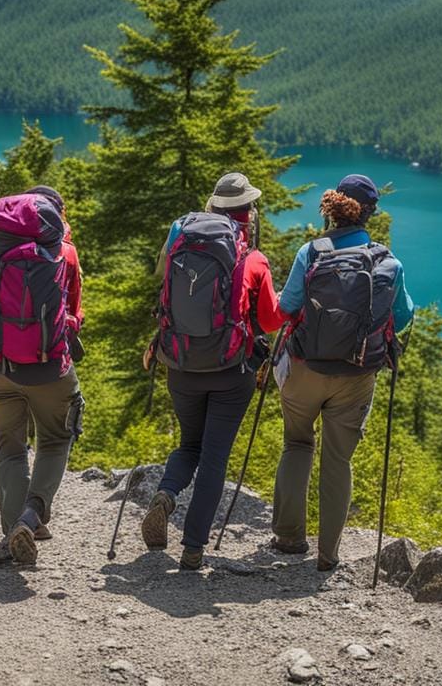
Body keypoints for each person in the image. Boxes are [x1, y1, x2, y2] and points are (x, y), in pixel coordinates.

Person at [140, 172, 285, 570]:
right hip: (230, 370)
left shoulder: (180, 240)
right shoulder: (252, 259)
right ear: (248, 214)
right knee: (214, 457)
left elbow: (164, 289)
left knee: (189, 444)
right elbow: (270, 320)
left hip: (181, 363)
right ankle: (192, 547)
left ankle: (166, 494)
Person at [270, 174, 414, 572]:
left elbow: (287, 307)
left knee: (297, 444)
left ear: (333, 208)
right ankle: (328, 554)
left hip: (304, 368)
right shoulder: (388, 262)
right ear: (370, 214)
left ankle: (289, 537)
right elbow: (403, 317)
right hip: (356, 373)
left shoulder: (311, 252)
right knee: (338, 459)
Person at [0, 186, 85, 565]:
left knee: (10, 448)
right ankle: (31, 517)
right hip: (52, 368)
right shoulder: (66, 254)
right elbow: (75, 313)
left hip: (0, 366)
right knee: (56, 440)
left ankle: (14, 529)